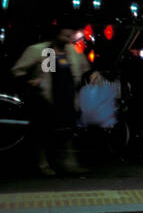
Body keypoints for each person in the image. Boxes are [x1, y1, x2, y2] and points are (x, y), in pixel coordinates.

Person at [8, 19, 97, 175]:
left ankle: (68, 163)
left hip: (68, 96)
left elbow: (84, 71)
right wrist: (30, 81)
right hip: (47, 97)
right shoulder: (42, 50)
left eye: (70, 31)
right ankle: (43, 164)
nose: (68, 34)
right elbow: (18, 72)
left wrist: (92, 74)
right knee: (43, 131)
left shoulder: (74, 52)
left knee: (67, 130)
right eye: (64, 31)